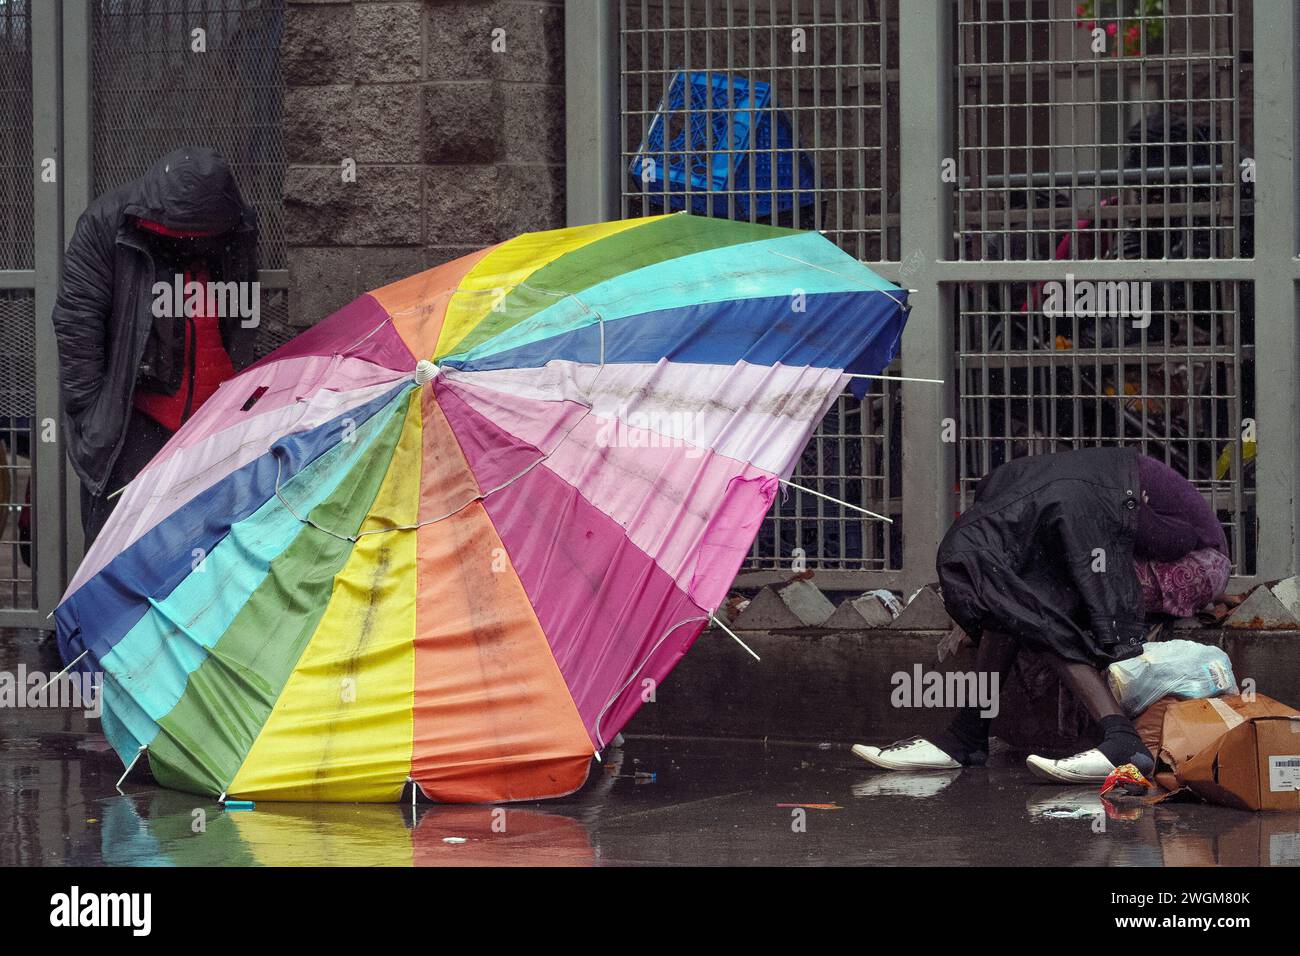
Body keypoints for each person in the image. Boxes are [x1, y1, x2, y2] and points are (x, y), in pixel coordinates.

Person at [854, 446, 1230, 783]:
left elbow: (1175, 540)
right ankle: (967, 735)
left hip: (1200, 561)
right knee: (1017, 598)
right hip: (1140, 544)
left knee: (1038, 600)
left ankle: (1122, 742)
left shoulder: (1076, 494)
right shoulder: (1025, 495)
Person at [52, 147, 258, 545]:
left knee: (209, 562)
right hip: (136, 429)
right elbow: (77, 323)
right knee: (127, 562)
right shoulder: (107, 224)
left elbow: (246, 321)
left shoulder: (234, 226)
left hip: (218, 425)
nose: (193, 244)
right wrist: (94, 421)